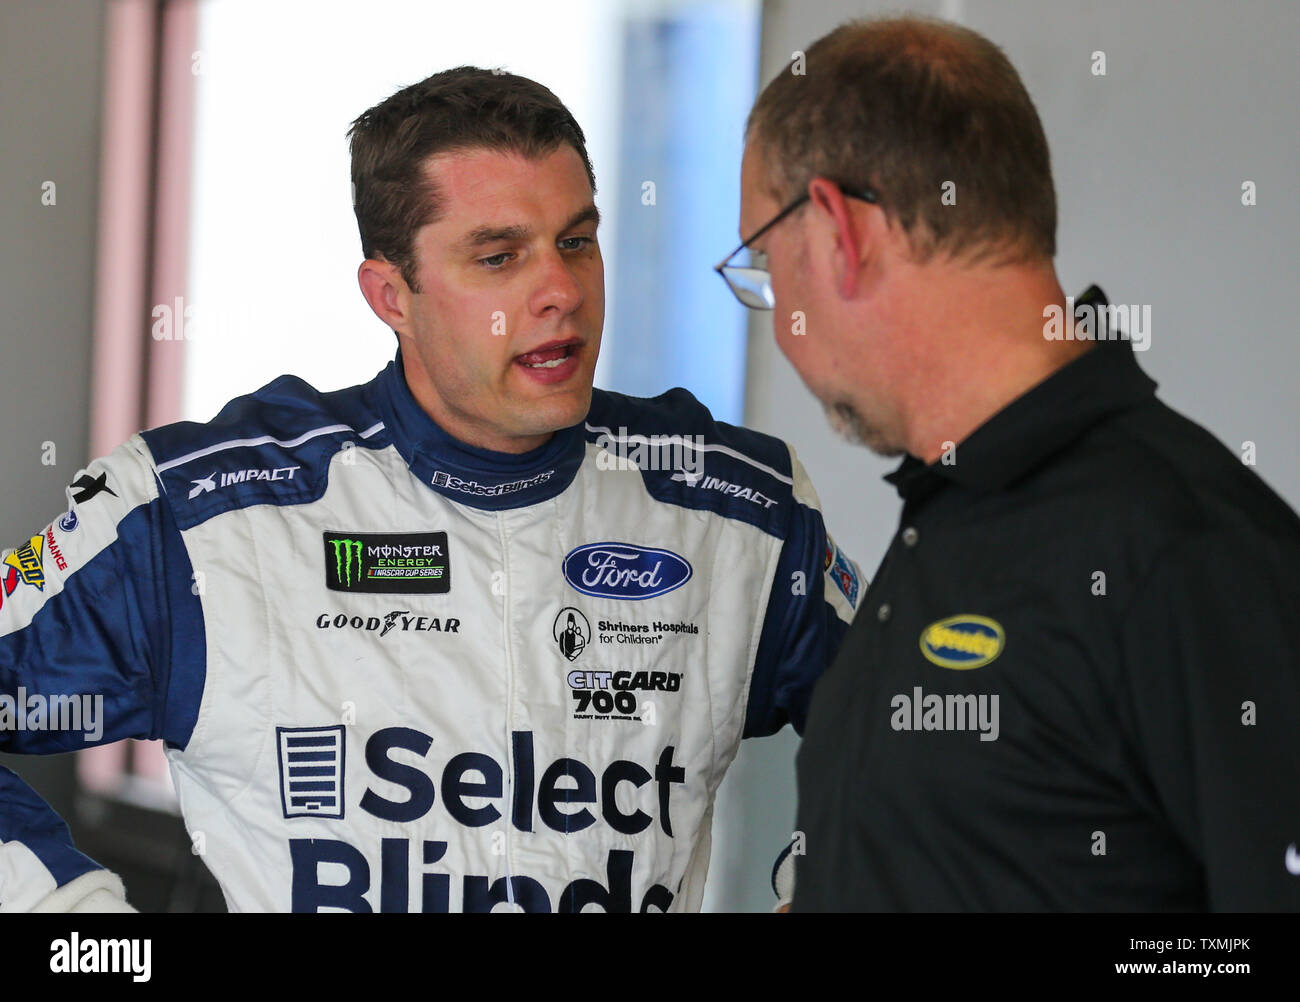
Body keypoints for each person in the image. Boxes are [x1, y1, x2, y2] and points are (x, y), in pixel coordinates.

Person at [0, 67, 862, 912]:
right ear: (391, 295)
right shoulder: (202, 516)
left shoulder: (734, 506)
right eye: (498, 257)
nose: (560, 291)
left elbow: (925, 740)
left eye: (576, 241)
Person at [719, 15, 1300, 910]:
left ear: (837, 230)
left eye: (765, 264)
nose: (777, 314)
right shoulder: (953, 518)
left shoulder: (1186, 554)